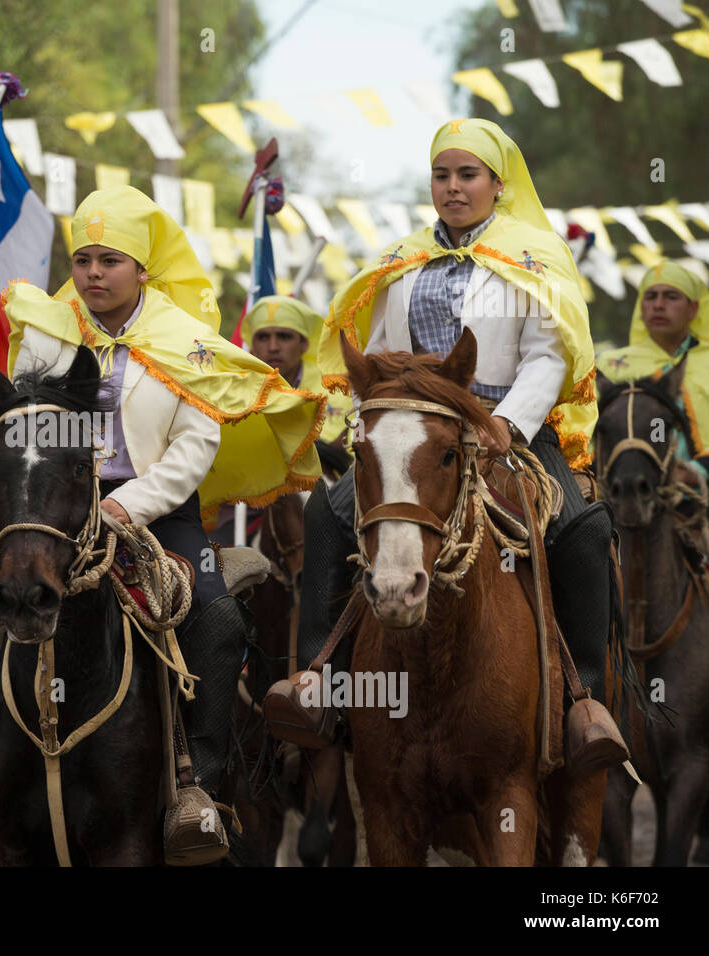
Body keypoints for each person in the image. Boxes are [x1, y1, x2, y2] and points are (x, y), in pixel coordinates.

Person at [0, 184, 324, 865]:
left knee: (216, 615)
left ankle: (194, 791)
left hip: (149, 512)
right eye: (83, 257)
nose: (92, 272)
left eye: (109, 260)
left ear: (142, 269)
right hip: (48, 511)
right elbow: (23, 422)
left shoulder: (187, 344)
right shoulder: (49, 332)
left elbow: (195, 447)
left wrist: (126, 506)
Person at [264, 119, 630, 776]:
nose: (454, 188)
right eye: (442, 175)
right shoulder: (401, 259)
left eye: (468, 175)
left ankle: (583, 702)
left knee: (581, 524)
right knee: (325, 511)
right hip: (413, 429)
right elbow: (374, 350)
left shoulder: (535, 254)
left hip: (504, 428)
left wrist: (504, 427)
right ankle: (320, 680)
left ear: (497, 183)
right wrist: (372, 422)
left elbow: (550, 355)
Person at [597, 260, 709, 486]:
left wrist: (695, 472)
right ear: (641, 308)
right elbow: (588, 433)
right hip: (625, 491)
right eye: (650, 297)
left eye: (671, 296)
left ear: (693, 308)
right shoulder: (609, 366)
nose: (659, 305)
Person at [242, 294, 354, 446]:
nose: (273, 347)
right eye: (263, 337)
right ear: (252, 347)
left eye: (284, 336)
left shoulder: (337, 388)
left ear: (304, 344)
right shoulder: (235, 388)